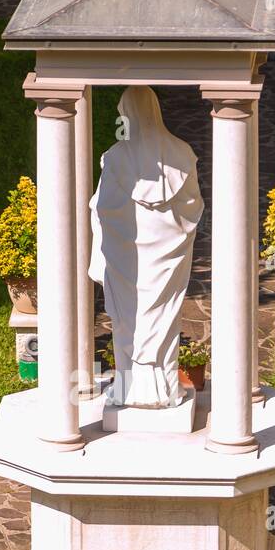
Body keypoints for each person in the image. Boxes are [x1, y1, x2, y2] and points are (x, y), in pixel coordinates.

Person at [89, 86, 204, 409]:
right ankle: (163, 389)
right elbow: (193, 206)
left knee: (129, 318)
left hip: (126, 258)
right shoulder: (182, 153)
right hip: (169, 255)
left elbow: (105, 208)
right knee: (163, 317)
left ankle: (130, 389)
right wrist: (173, 233)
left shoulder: (115, 157)